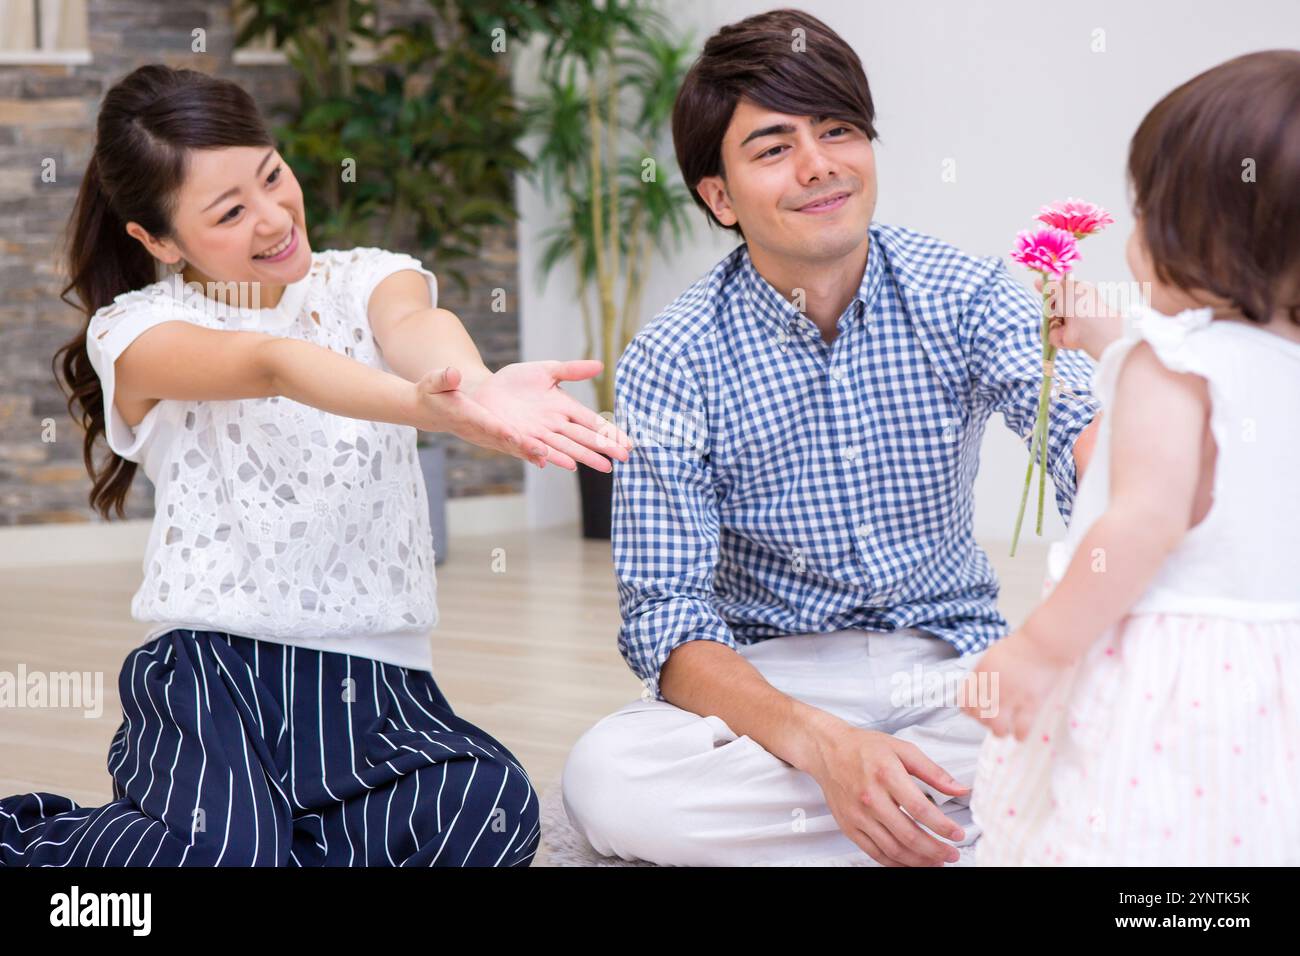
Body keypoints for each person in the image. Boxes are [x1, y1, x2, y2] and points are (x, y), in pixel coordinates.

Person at [0, 64, 628, 867]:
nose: (273, 218)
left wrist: (477, 388)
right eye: (230, 211)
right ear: (156, 240)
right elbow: (270, 361)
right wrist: (425, 407)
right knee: (223, 853)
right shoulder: (137, 330)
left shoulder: (371, 275)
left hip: (378, 691)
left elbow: (417, 326)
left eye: (272, 174)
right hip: (213, 678)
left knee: (494, 807)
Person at [560, 8, 1111, 867]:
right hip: (772, 683)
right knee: (607, 780)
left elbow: (1087, 444)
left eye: (838, 130)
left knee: (1114, 723)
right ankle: (949, 824)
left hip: (950, 666)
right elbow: (666, 616)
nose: (820, 166)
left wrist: (1136, 395)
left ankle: (885, 815)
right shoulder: (671, 356)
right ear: (719, 196)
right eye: (774, 147)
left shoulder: (966, 293)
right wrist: (821, 746)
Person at [966, 50, 1300, 866]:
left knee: (1126, 835)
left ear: (1195, 233)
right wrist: (1103, 336)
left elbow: (1145, 517)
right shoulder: (1271, 364)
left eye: (1147, 210)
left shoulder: (1169, 366)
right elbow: (1207, 417)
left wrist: (1041, 648)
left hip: (1171, 688)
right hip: (1270, 681)